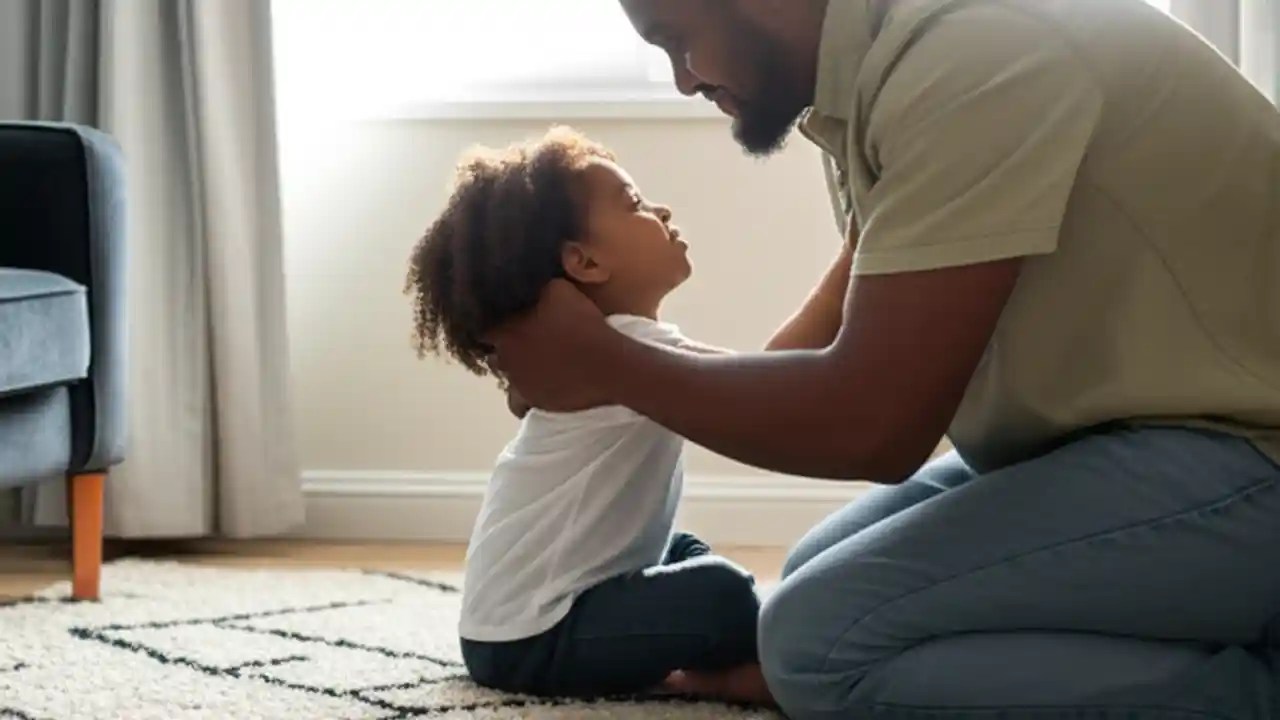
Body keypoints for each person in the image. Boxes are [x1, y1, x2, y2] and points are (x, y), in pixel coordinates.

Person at [485, 0, 1280, 718]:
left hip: (1243, 456)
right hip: (1139, 439)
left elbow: (876, 426)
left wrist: (602, 359)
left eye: (678, 40)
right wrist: (603, 365)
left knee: (815, 644)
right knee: (810, 579)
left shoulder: (972, 51)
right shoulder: (880, 76)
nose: (683, 81)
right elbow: (830, 363)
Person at [404, 127, 761, 699]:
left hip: (509, 627)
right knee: (723, 593)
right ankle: (703, 680)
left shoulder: (606, 347)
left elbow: (764, 379)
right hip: (537, 636)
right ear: (585, 261)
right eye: (637, 205)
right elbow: (767, 383)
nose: (662, 210)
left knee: (681, 549)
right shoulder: (622, 350)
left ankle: (678, 658)